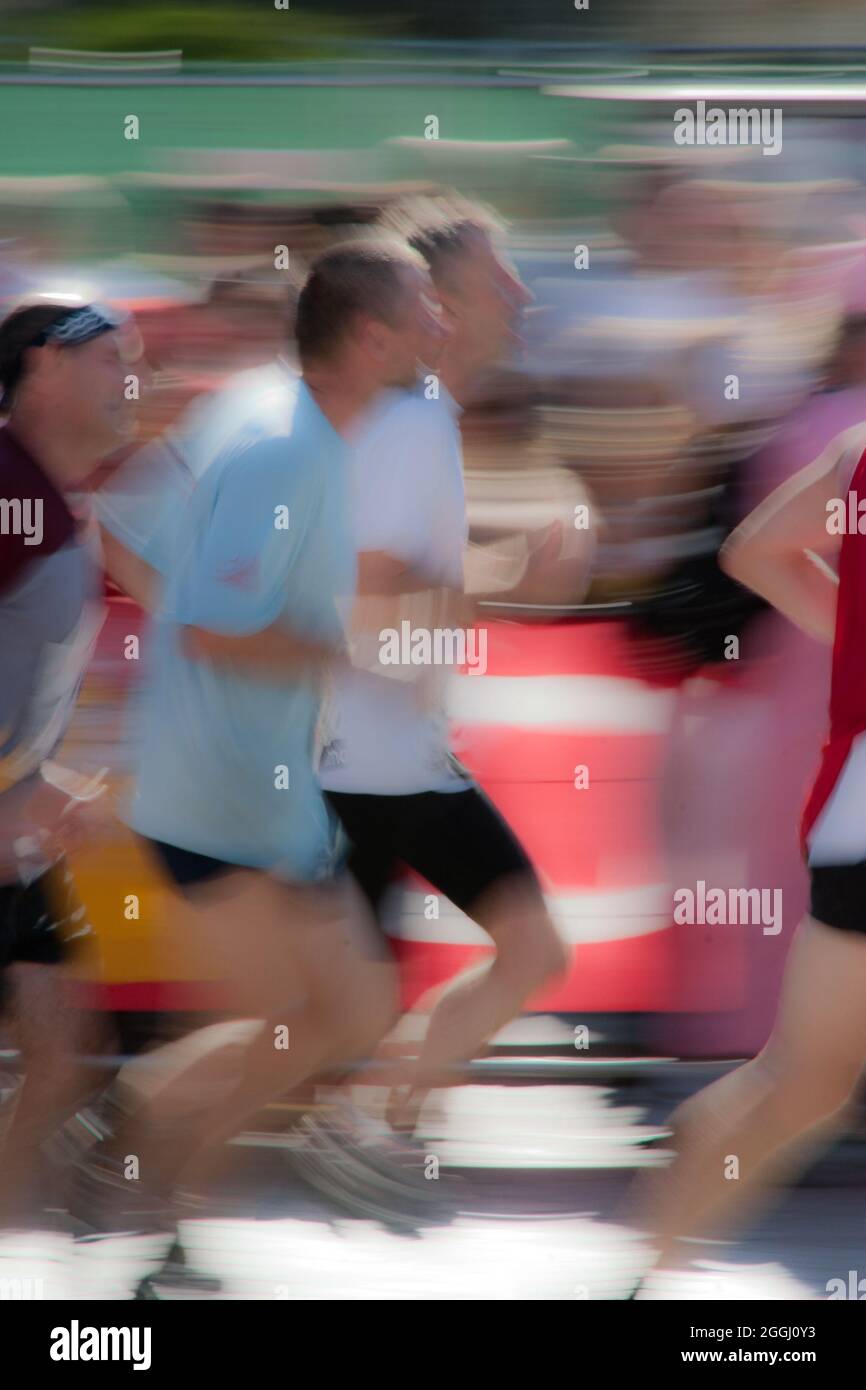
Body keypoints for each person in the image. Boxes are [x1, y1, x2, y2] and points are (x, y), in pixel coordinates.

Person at [75, 241, 444, 1261]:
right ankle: (144, 1138)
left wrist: (181, 682)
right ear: (370, 338)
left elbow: (129, 531)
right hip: (225, 787)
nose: (442, 327)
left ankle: (163, 1211)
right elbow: (214, 625)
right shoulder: (288, 448)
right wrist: (351, 648)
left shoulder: (254, 403)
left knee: (335, 1012)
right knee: (313, 1015)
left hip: (241, 771)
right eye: (425, 311)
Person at [315, 199, 571, 1147]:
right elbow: (367, 613)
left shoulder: (420, 421)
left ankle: (365, 1129)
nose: (524, 294)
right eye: (498, 278)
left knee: (330, 1017)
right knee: (531, 950)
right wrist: (505, 581)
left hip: (379, 758)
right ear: (441, 309)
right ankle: (366, 1127)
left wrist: (491, 571)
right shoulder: (409, 428)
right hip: (371, 767)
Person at [628, 419, 866, 1296]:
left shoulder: (857, 451)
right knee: (806, 1083)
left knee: (803, 1084)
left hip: (855, 810)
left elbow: (758, 551)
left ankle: (649, 1268)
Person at [0, 298, 141, 1225]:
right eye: (112, 358)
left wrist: (41, 787)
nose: (135, 377)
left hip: (13, 838)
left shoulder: (68, 507)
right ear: (43, 367)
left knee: (63, 1056)